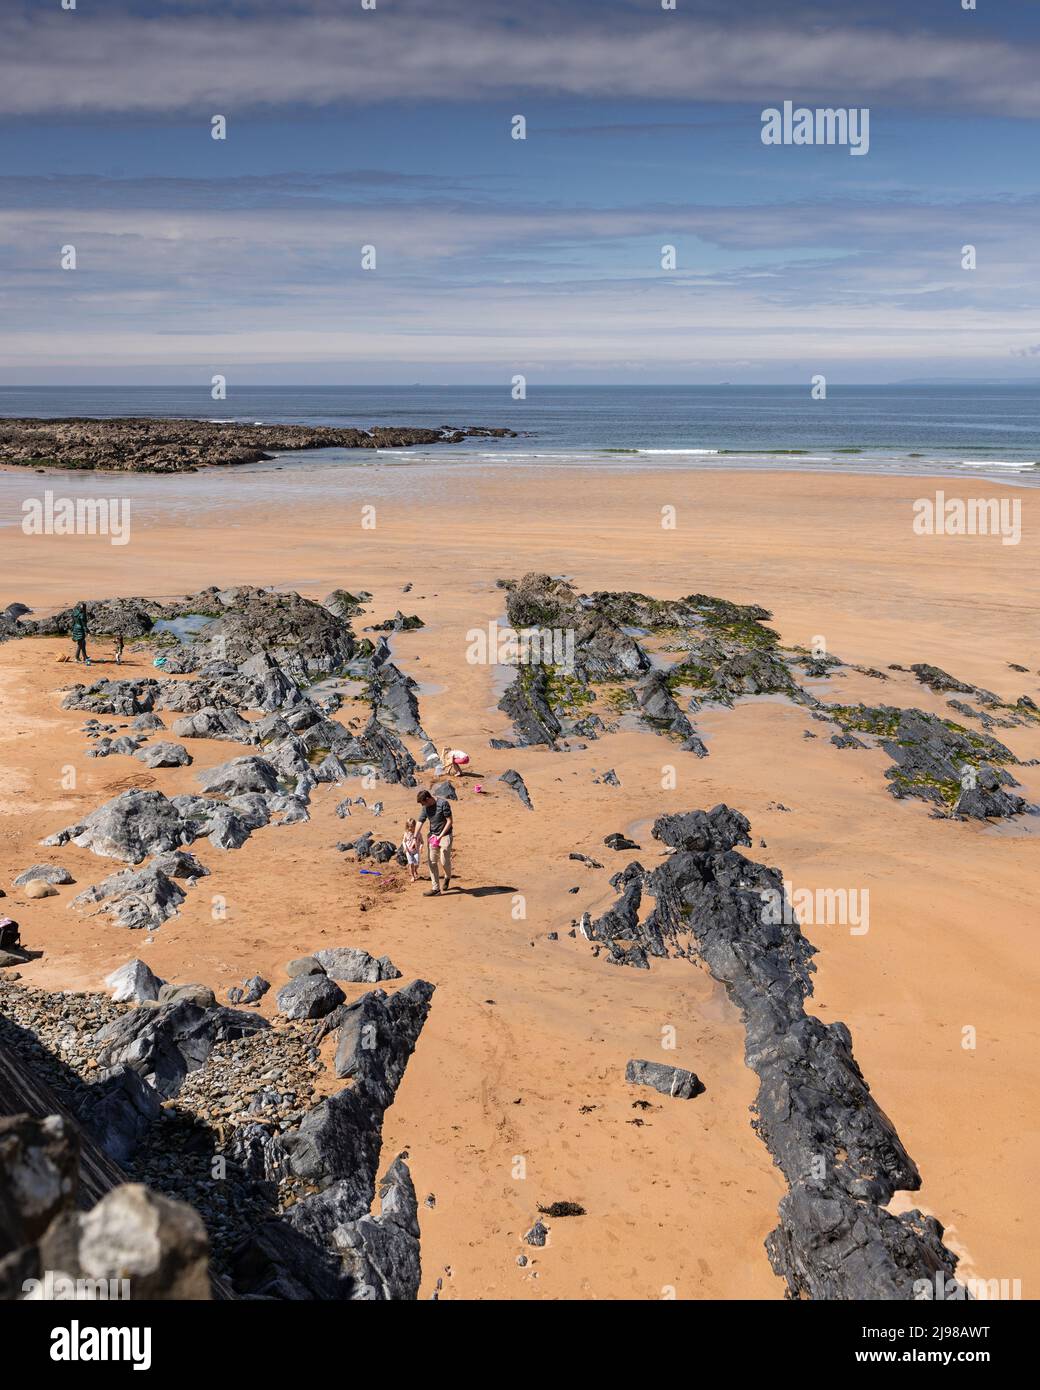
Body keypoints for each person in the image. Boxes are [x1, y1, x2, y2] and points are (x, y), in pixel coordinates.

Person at [416, 788, 454, 895]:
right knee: (432, 862)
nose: (422, 806)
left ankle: (447, 877)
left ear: (428, 799)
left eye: (423, 803)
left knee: (444, 861)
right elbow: (420, 822)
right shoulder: (425, 808)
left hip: (445, 836)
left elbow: (450, 821)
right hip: (433, 836)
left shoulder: (443, 804)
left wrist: (440, 836)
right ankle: (436, 889)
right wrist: (415, 837)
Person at [401, 818, 423, 884]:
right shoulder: (406, 833)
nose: (410, 828)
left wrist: (421, 847)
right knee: (411, 864)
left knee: (417, 863)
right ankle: (413, 876)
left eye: (412, 826)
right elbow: (404, 841)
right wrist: (405, 848)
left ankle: (415, 869)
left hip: (416, 851)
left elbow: (422, 842)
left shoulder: (418, 833)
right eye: (409, 826)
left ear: (415, 826)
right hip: (409, 851)